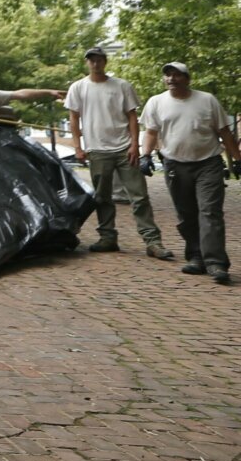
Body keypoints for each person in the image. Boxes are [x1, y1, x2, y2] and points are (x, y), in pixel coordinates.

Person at [140, 61, 241, 285]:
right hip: (175, 165)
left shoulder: (207, 100)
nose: (171, 79)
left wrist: (237, 158)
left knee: (209, 212)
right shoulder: (156, 102)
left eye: (177, 75)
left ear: (187, 78)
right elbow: (151, 132)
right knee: (186, 214)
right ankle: (196, 257)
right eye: (167, 75)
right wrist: (145, 155)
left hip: (208, 164)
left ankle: (216, 263)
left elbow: (224, 132)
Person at [65, 47, 168, 257]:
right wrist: (78, 146)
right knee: (102, 198)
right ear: (87, 63)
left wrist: (134, 145)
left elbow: (132, 117)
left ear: (105, 61)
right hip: (97, 149)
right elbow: (73, 119)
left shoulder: (121, 86)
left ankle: (152, 241)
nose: (95, 63)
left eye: (99, 59)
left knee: (139, 196)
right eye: (91, 60)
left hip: (124, 149)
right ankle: (107, 237)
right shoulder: (78, 87)